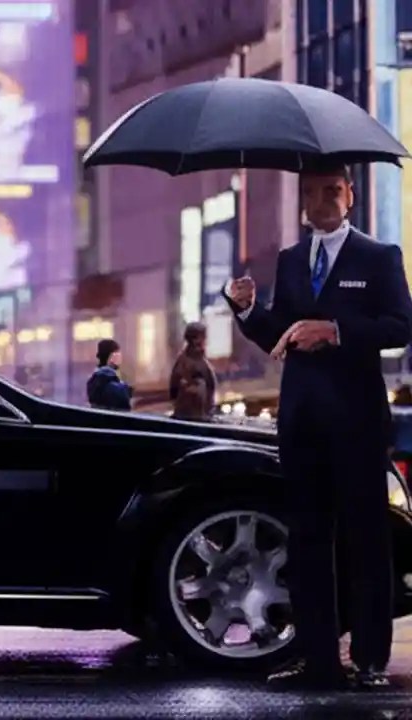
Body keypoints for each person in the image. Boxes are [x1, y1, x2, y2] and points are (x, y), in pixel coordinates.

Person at [223, 160, 412, 690]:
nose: (322, 200)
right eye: (312, 192)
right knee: (306, 541)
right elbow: (280, 339)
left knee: (367, 541)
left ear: (350, 196)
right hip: (301, 420)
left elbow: (401, 325)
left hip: (356, 421)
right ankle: (315, 657)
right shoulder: (288, 261)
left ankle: (371, 660)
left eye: (333, 190)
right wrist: (248, 311)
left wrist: (334, 329)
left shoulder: (378, 257)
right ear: (302, 199)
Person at [169, 322, 217, 421]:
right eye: (202, 337)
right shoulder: (186, 362)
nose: (204, 341)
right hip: (193, 417)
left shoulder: (198, 359)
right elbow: (174, 388)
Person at [86, 339, 132, 410]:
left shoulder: (93, 380)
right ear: (112, 356)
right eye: (118, 353)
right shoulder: (116, 387)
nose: (121, 357)